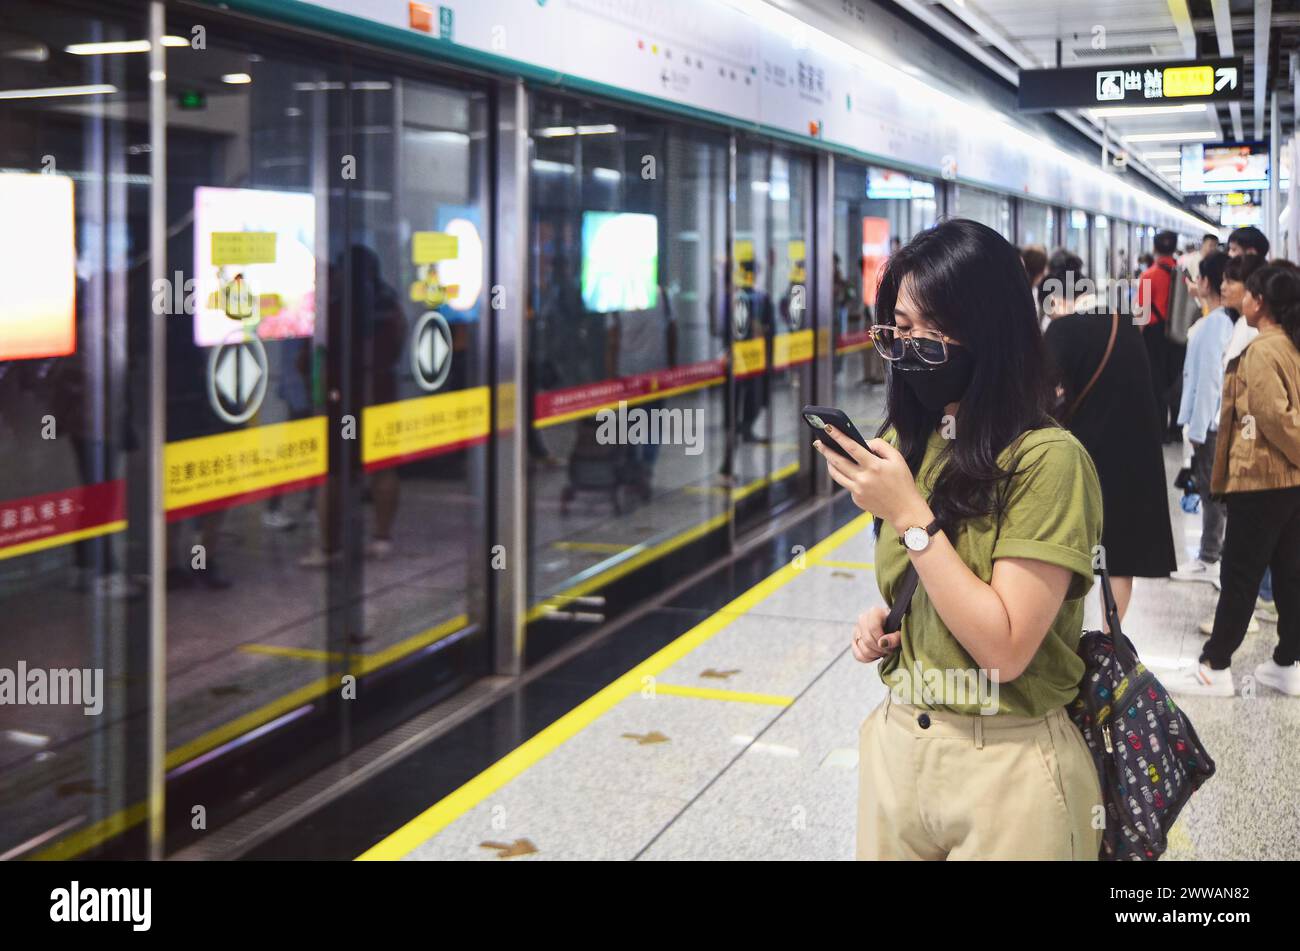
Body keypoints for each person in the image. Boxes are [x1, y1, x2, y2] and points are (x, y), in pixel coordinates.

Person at [817, 219, 1104, 860]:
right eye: (899, 327)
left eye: (932, 330)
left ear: (989, 333)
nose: (910, 346)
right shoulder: (910, 447)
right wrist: (892, 624)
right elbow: (934, 588)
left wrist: (910, 517)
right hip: (900, 748)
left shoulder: (1049, 462)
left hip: (1007, 765)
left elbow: (1003, 650)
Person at [1168, 266, 1300, 697]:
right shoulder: (1290, 345)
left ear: (1259, 302)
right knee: (1289, 573)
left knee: (1240, 573)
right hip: (1289, 483)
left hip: (1261, 479)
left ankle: (1215, 664)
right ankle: (1287, 661)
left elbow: (1273, 417)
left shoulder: (1262, 350)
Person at [1044, 260, 1177, 623]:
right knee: (1120, 552)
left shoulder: (1064, 330)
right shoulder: (1124, 322)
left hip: (1081, 456)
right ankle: (1110, 636)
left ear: (1057, 301)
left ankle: (1061, 638)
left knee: (1064, 545)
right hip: (1133, 454)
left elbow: (1042, 393)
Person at [1172, 251, 1233, 585]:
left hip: (1209, 424)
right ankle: (1213, 553)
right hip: (1217, 420)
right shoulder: (1223, 322)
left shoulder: (1213, 326)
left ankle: (1209, 556)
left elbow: (1208, 381)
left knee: (1211, 489)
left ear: (1207, 282)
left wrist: (1196, 428)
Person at [1135, 231, 1179, 441]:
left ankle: (1161, 431)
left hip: (1154, 334)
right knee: (1177, 378)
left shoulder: (1149, 275)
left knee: (1157, 381)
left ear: (1154, 248)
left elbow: (1142, 314)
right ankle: (1178, 428)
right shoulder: (1182, 272)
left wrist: (1136, 339)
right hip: (1179, 332)